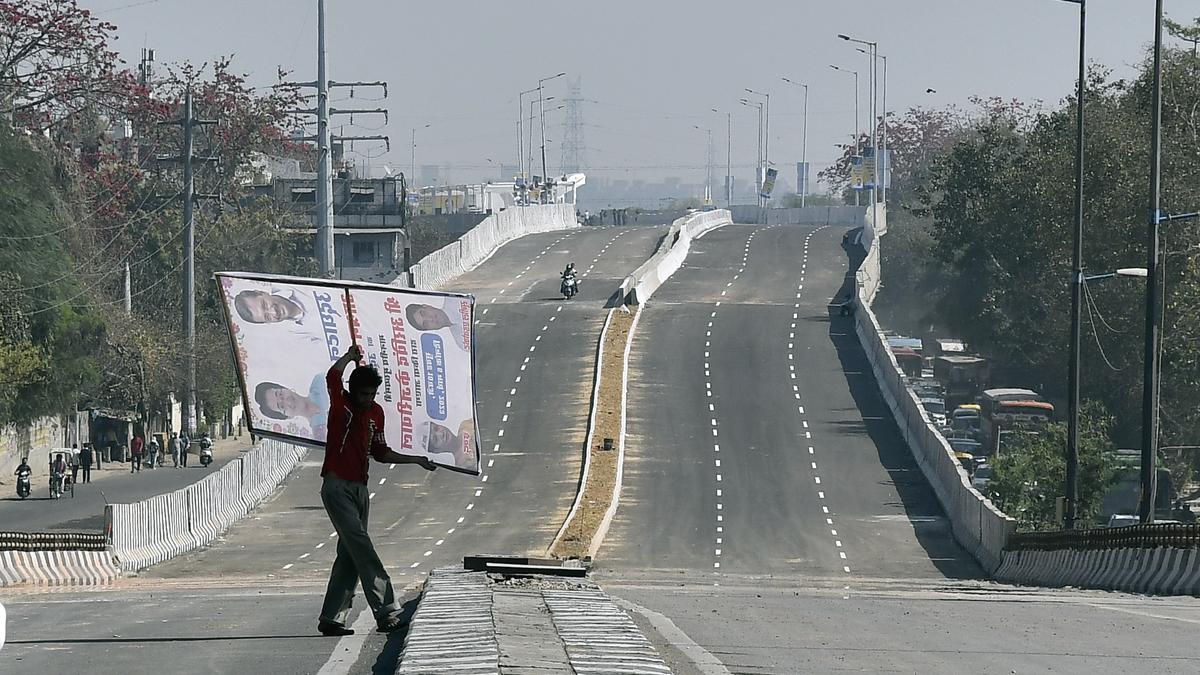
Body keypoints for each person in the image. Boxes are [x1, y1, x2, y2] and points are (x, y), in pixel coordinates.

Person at [317, 344, 437, 637]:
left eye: (371, 394)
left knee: (349, 554)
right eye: (363, 394)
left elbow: (381, 452)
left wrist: (417, 460)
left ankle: (331, 618)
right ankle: (387, 611)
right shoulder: (341, 405)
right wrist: (349, 356)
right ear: (353, 392)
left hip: (360, 490)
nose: (367, 399)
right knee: (362, 545)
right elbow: (333, 376)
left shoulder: (376, 414)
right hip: (336, 487)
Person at [254, 373, 330, 438]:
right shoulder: (320, 434)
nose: (288, 400)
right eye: (282, 406)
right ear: (287, 417)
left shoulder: (320, 381)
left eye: (280, 394)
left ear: (285, 388)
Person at [233, 288, 309, 325]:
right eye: (267, 317)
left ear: (262, 292)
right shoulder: (297, 334)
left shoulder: (289, 284)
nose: (274, 312)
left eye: (265, 305)